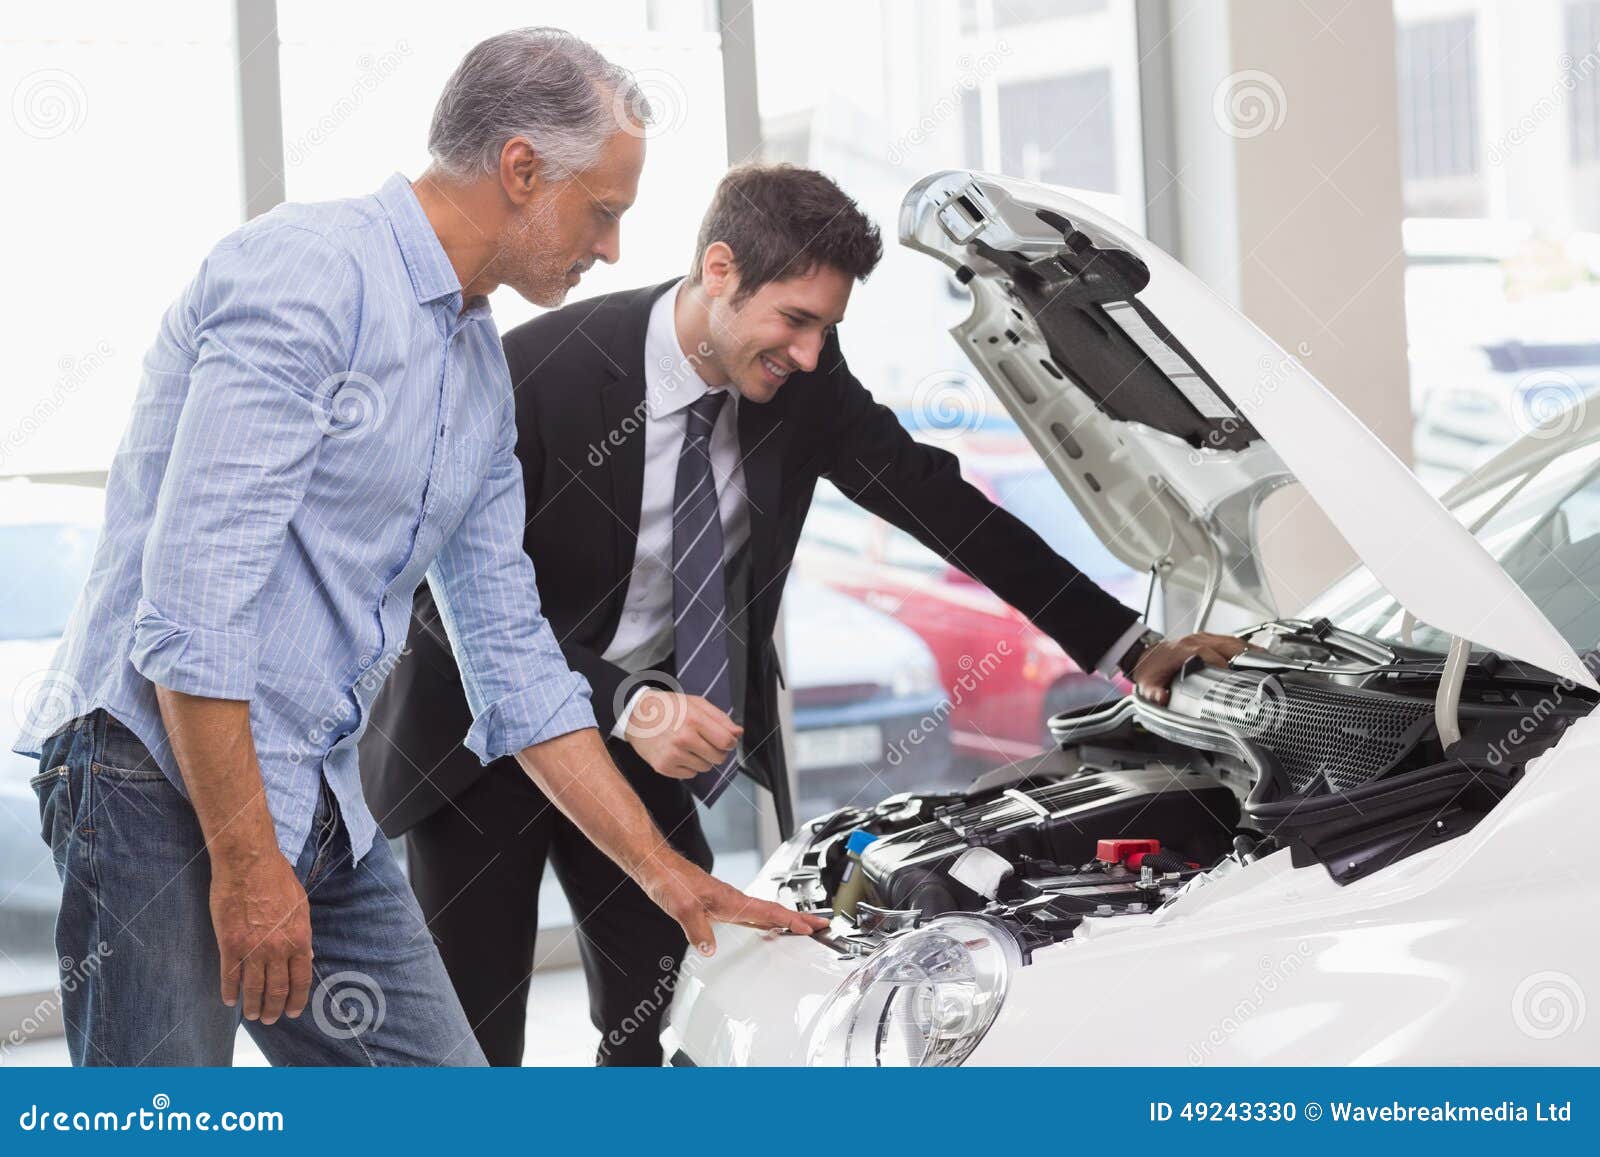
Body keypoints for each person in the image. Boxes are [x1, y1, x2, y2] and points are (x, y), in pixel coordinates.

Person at [13, 29, 821, 1069]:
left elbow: (514, 660)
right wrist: (248, 865)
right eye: (603, 211)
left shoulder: (476, 368)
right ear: (521, 169)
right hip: (155, 776)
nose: (615, 249)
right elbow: (194, 603)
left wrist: (674, 877)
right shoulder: (310, 269)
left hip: (313, 791)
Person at [362, 163, 1245, 1066]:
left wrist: (1129, 644)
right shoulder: (540, 370)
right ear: (719, 271)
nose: (812, 353)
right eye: (794, 319)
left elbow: (941, 504)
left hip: (646, 742)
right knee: (472, 1045)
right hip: (482, 741)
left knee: (666, 1000)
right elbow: (443, 599)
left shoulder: (804, 387)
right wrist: (625, 699)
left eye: (827, 327)